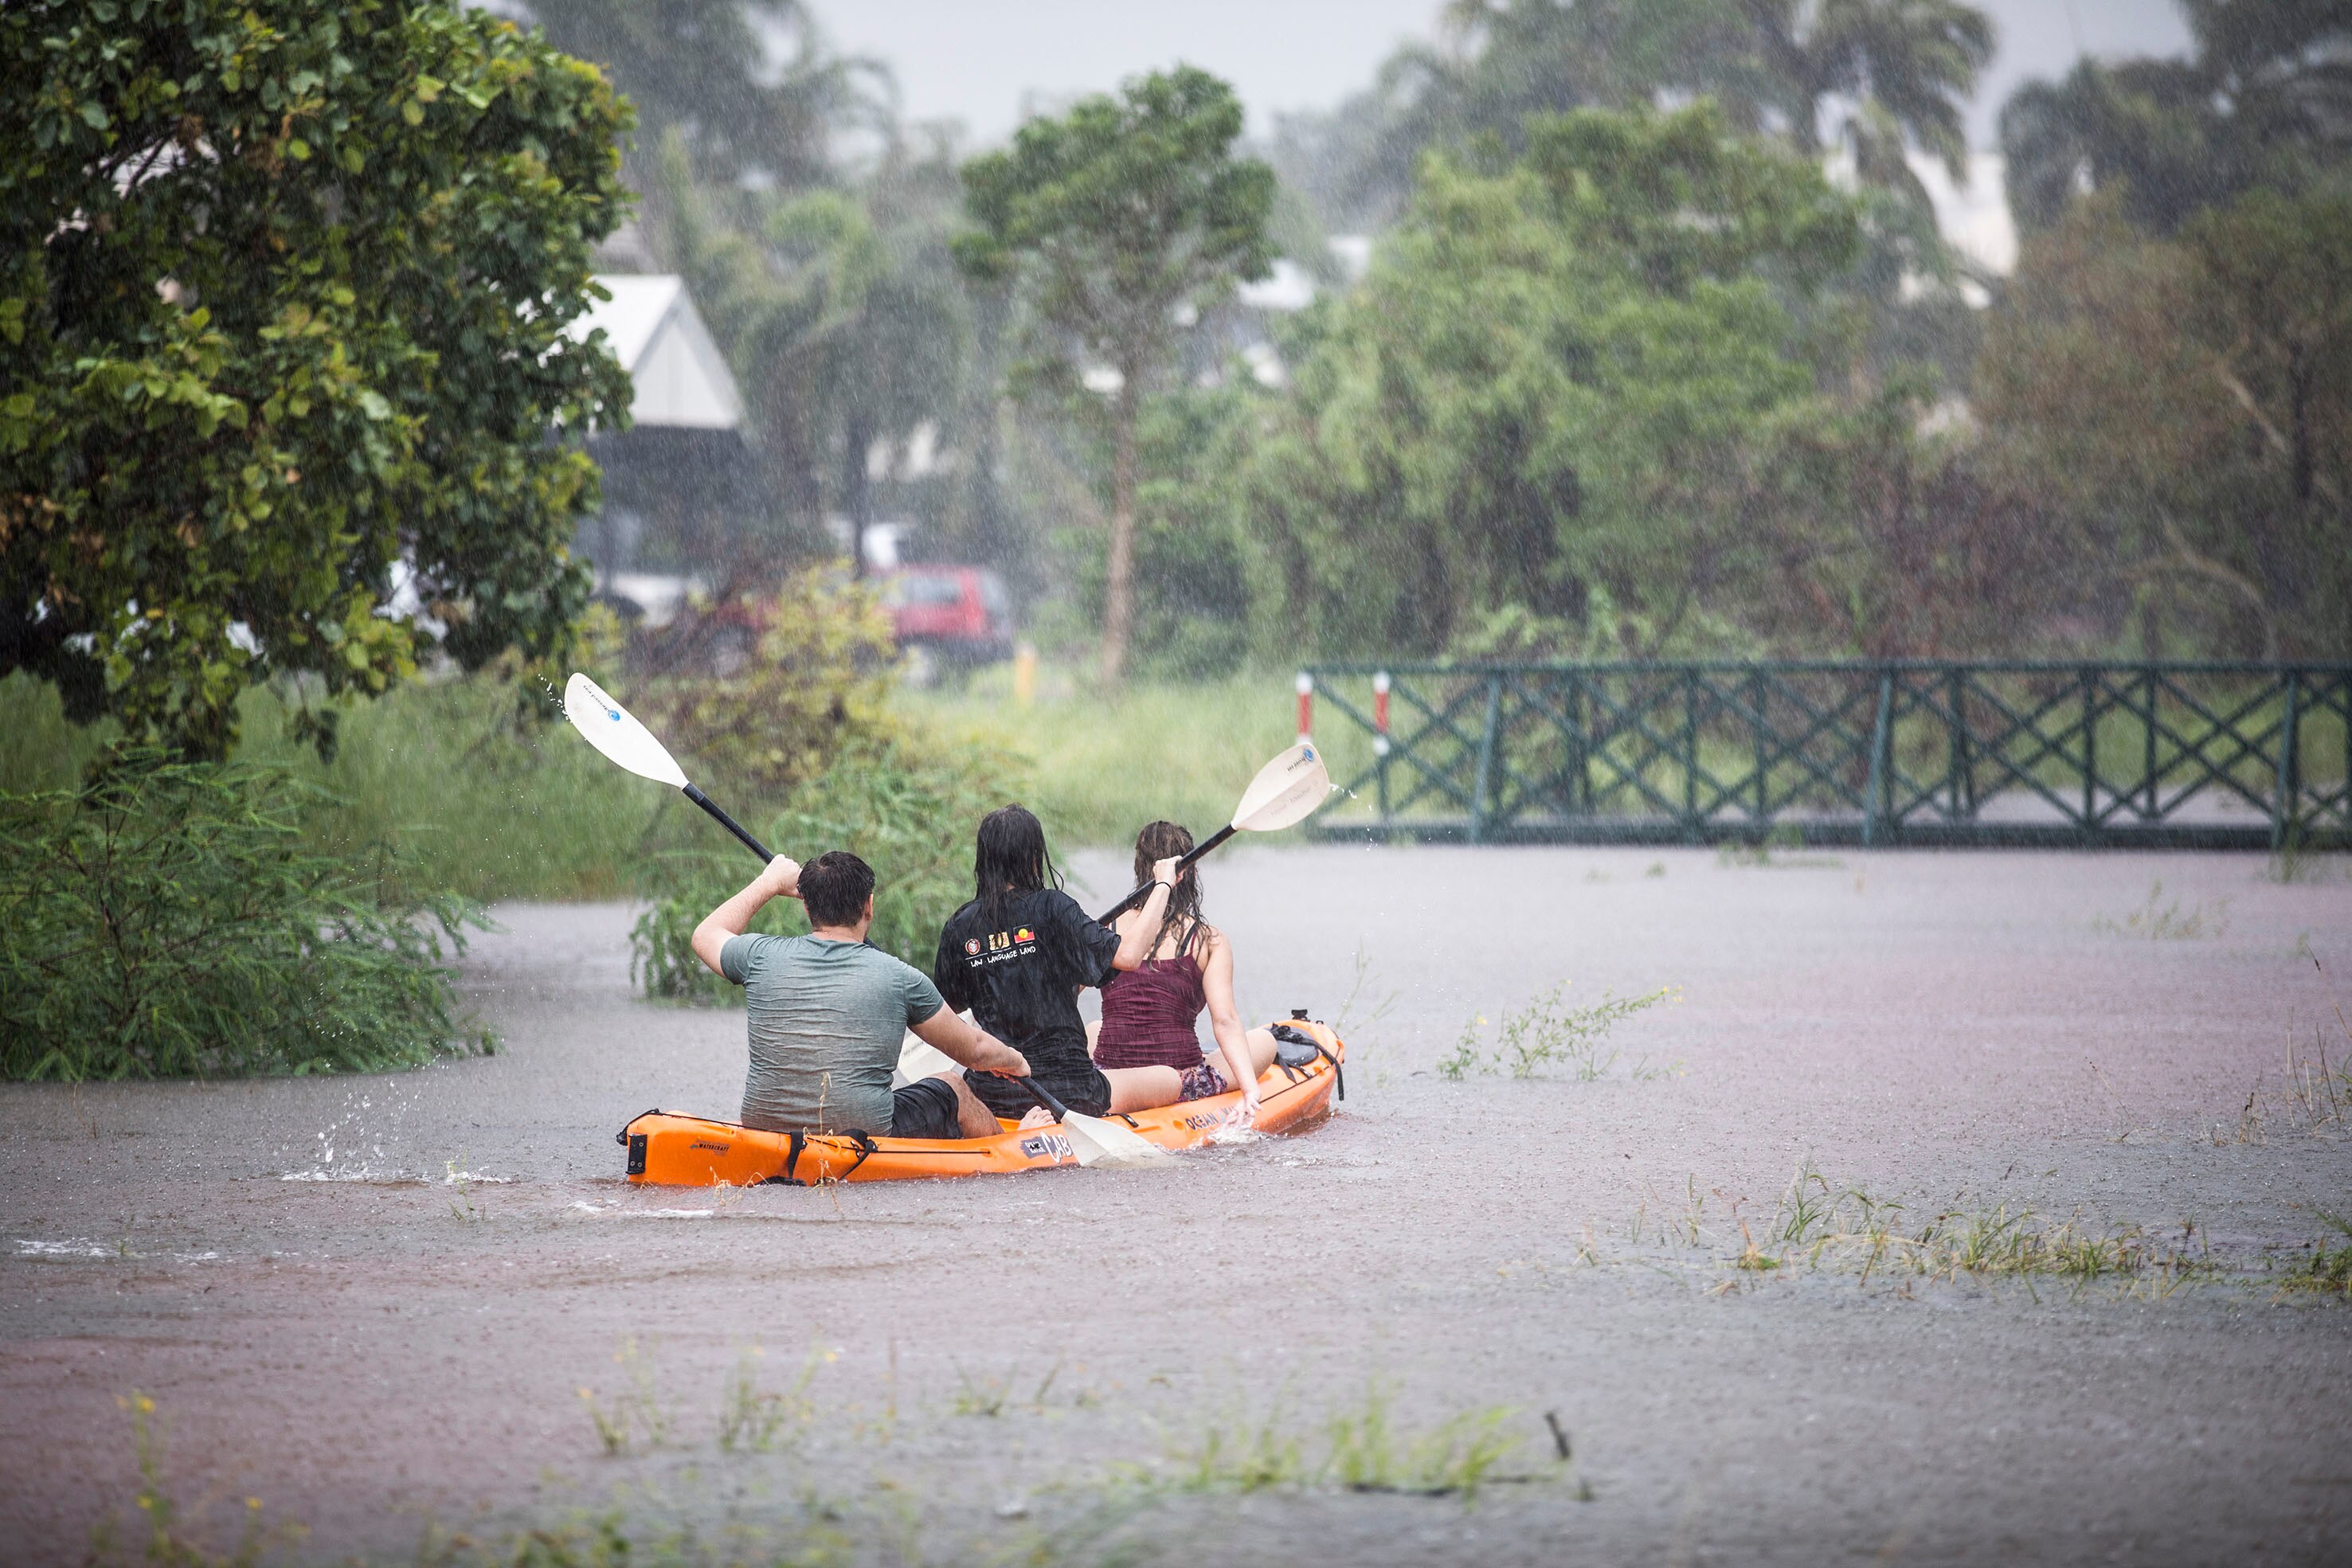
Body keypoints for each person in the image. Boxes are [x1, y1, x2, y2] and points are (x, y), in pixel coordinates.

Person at [691, 849, 1027, 1140]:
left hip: (765, 1125)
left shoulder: (758, 954)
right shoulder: (900, 977)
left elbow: (705, 934)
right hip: (863, 1130)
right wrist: (1015, 1061)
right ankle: (1011, 1152)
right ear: (869, 906)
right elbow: (976, 1051)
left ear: (807, 909)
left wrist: (769, 883)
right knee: (952, 1085)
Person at [933, 804, 1183, 1128]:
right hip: (1069, 1090)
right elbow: (1130, 955)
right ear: (1033, 857)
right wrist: (1163, 884)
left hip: (992, 1094)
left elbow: (945, 1015)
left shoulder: (960, 926)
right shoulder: (1053, 907)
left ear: (984, 861)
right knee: (1169, 1079)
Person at [1093, 821, 1280, 1123]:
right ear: (1188, 873)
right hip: (1177, 1078)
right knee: (1266, 1041)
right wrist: (1250, 1090)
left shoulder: (1103, 929)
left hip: (1112, 1073)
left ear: (1141, 869)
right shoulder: (1208, 940)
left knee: (1093, 1026)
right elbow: (1225, 1020)